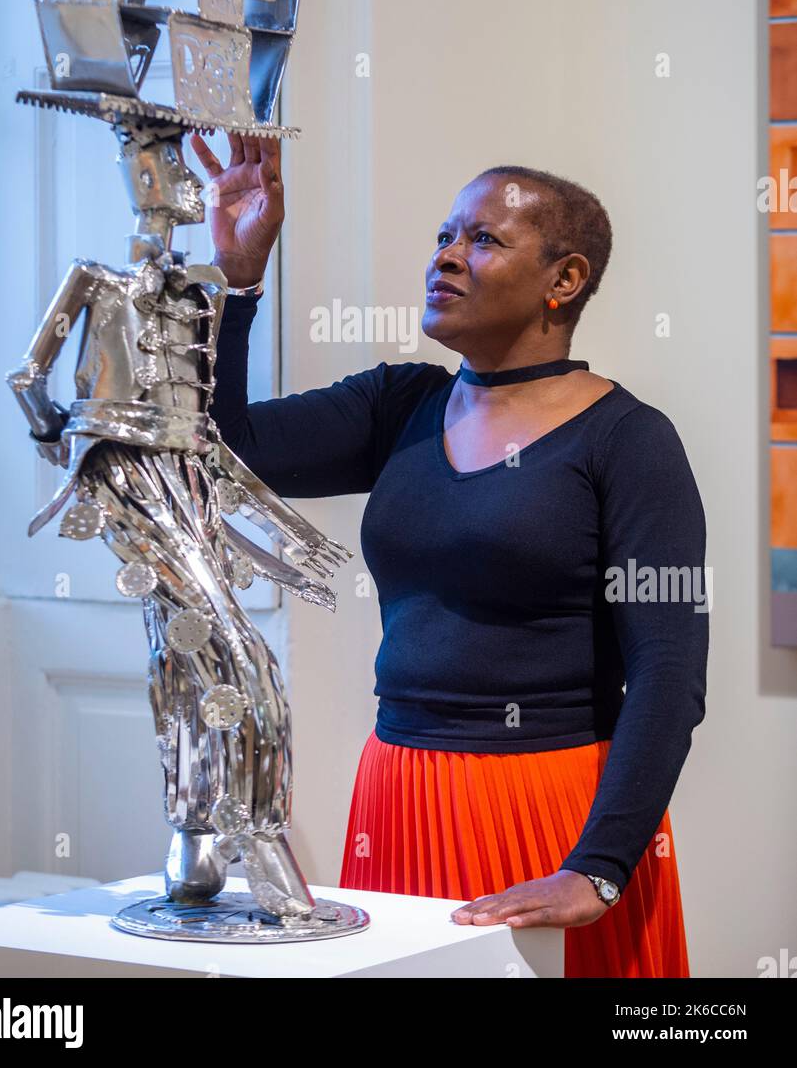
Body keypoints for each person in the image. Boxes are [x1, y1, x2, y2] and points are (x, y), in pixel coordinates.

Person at [193, 129, 709, 979]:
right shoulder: (401, 404)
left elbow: (668, 672)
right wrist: (238, 280)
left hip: (556, 812)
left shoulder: (630, 442)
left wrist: (602, 867)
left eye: (483, 239)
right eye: (442, 236)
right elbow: (222, 446)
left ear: (563, 280)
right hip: (398, 795)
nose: (447, 257)